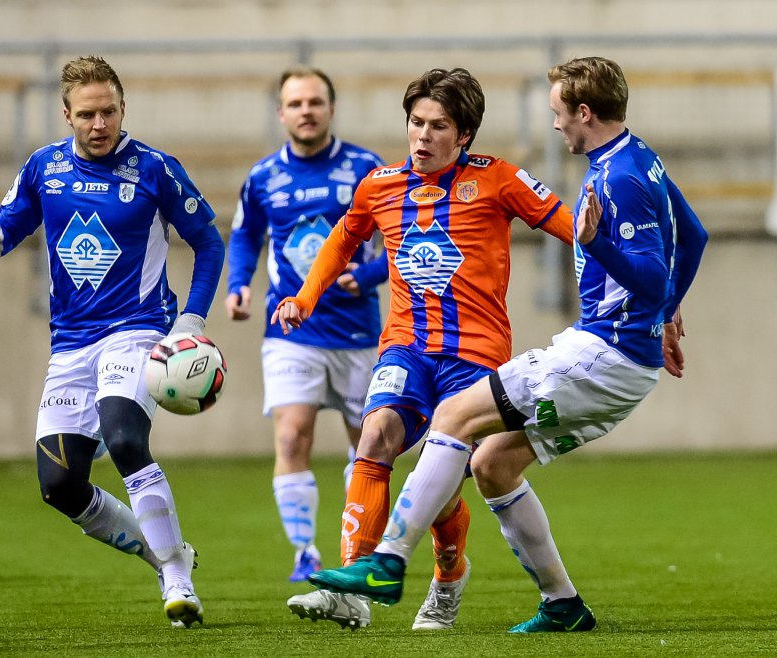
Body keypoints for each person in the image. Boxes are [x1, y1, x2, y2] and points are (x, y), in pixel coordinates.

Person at [300, 56, 708, 633]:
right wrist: (665, 312)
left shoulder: (613, 176)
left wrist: (603, 249)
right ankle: (562, 603)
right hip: (614, 360)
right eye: (416, 122)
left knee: (455, 415)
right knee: (492, 464)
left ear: (583, 112)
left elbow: (648, 273)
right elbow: (694, 235)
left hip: (603, 352)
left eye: (558, 113)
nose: (555, 124)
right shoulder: (640, 157)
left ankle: (387, 563)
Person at [274, 67, 575, 630]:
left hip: (476, 356)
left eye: (439, 126)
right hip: (406, 348)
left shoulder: (499, 179)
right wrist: (305, 296)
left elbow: (572, 227)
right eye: (416, 123)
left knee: (438, 477)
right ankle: (352, 588)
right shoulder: (380, 185)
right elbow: (343, 239)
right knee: (377, 433)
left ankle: (448, 574)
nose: (423, 136)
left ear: (464, 135)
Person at [0, 55, 224, 629]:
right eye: (87, 114)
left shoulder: (156, 168)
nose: (99, 123)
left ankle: (177, 579)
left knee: (126, 439)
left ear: (123, 109)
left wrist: (193, 318)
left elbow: (208, 242)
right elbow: (16, 219)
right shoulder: (42, 167)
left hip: (137, 329)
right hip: (70, 346)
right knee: (59, 485)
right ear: (67, 116)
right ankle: (165, 555)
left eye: (109, 111)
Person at [225, 66, 388, 586]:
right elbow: (245, 235)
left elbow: (407, 234)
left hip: (359, 331)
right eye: (295, 104)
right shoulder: (263, 177)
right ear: (281, 113)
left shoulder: (367, 168)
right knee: (292, 435)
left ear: (331, 108)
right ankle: (305, 552)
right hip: (290, 328)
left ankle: (356, 547)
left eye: (315, 102)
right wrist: (239, 283)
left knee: (369, 443)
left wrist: (368, 274)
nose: (306, 111)